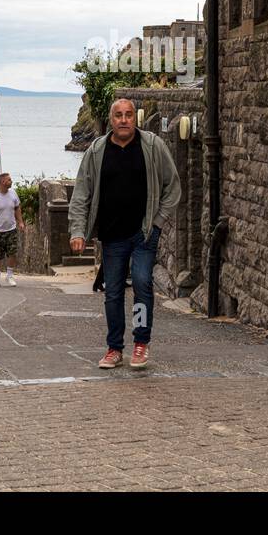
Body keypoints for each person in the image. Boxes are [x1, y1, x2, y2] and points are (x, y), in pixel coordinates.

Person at [69, 98, 181, 370]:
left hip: (143, 233)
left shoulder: (153, 146)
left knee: (142, 284)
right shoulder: (96, 151)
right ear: (111, 119)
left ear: (135, 118)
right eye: (118, 115)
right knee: (113, 293)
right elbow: (81, 194)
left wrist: (157, 222)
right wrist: (77, 230)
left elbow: (173, 186)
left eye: (128, 115)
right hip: (111, 235)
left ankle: (141, 343)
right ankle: (114, 348)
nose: (123, 120)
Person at [0, 173, 24, 286]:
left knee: (12, 253)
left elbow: (17, 208)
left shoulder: (13, 193)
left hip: (11, 229)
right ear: (2, 182)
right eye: (9, 180)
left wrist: (20, 222)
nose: (11, 181)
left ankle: (9, 276)